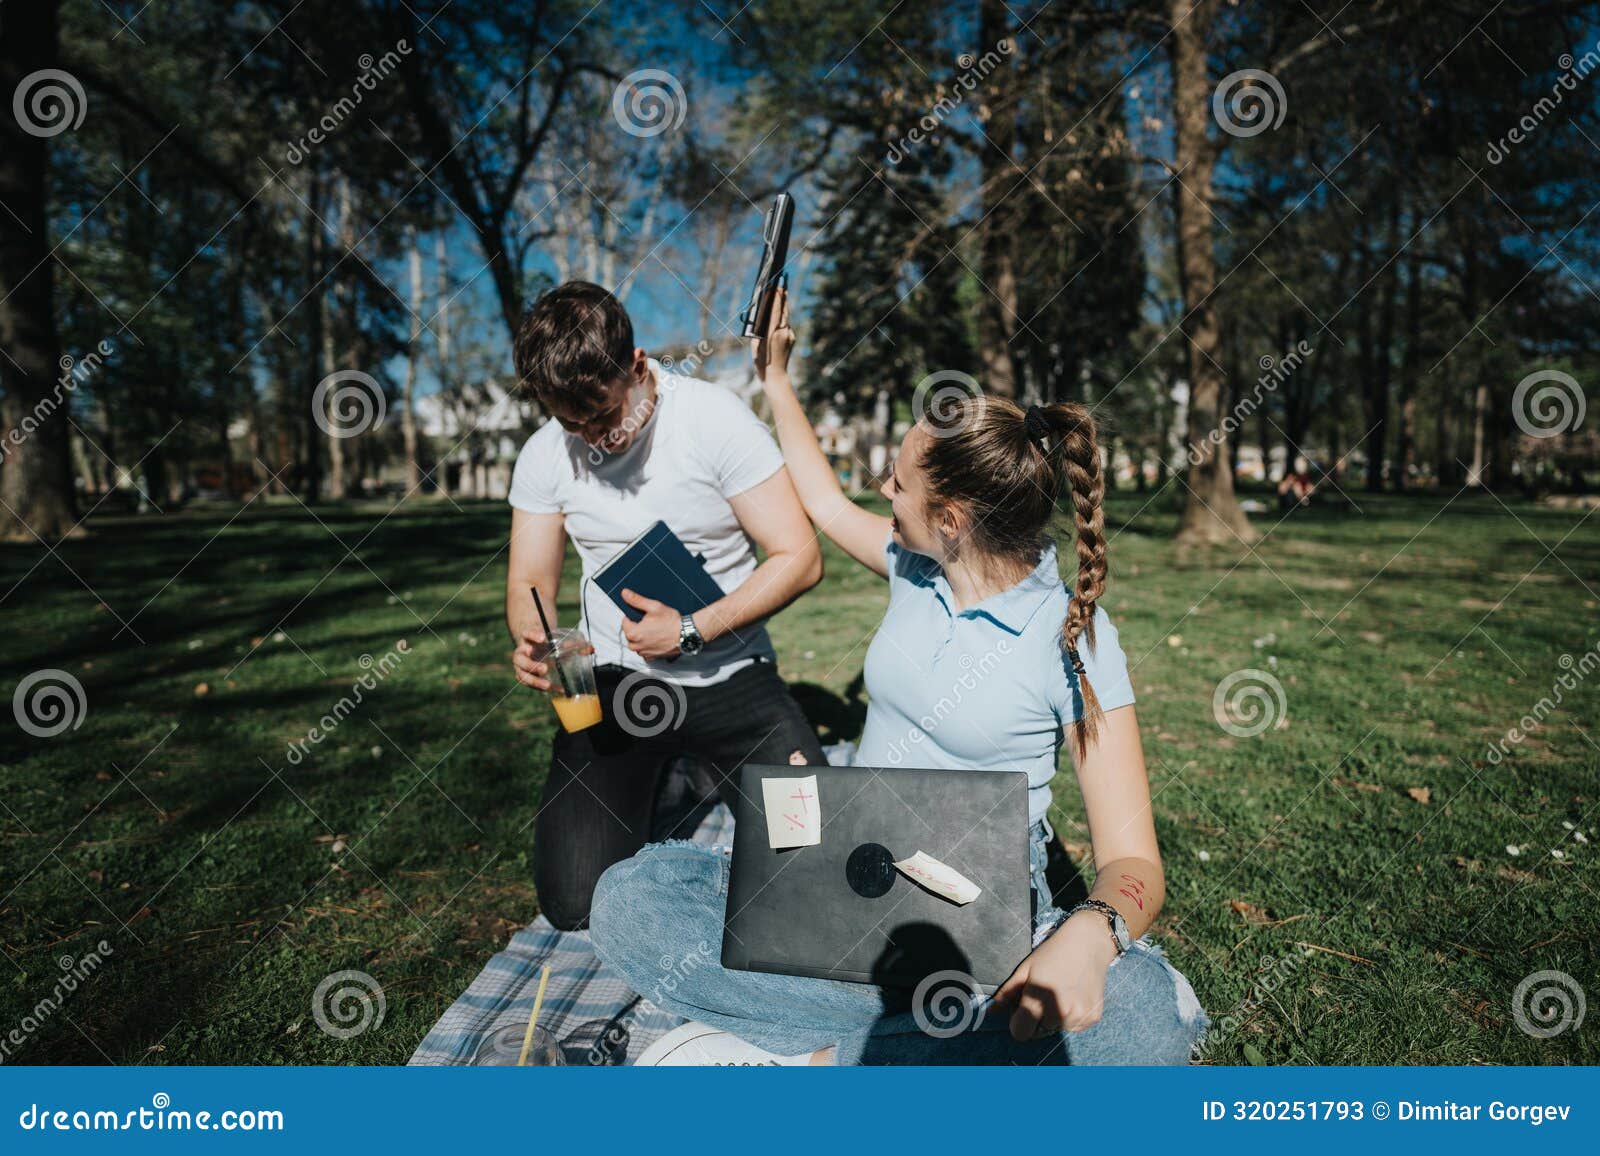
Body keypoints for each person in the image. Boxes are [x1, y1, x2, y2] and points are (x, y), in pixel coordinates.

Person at [588, 287, 1208, 1065]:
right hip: (852, 859)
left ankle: (815, 1052)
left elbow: (1133, 861)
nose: (882, 488)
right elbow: (820, 500)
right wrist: (775, 376)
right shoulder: (914, 568)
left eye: (897, 482)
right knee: (630, 900)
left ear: (950, 521)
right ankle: (908, 1053)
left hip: (978, 909)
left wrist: (1091, 936)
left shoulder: (1074, 638)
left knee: (1143, 1017)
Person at [505, 281, 827, 931]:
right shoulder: (545, 453)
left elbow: (799, 556)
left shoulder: (714, 419)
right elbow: (529, 582)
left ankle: (695, 768)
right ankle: (675, 773)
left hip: (732, 675)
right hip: (617, 685)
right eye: (571, 423)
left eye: (602, 415)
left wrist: (689, 629)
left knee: (816, 870)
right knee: (575, 904)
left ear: (637, 365)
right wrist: (535, 639)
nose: (592, 437)